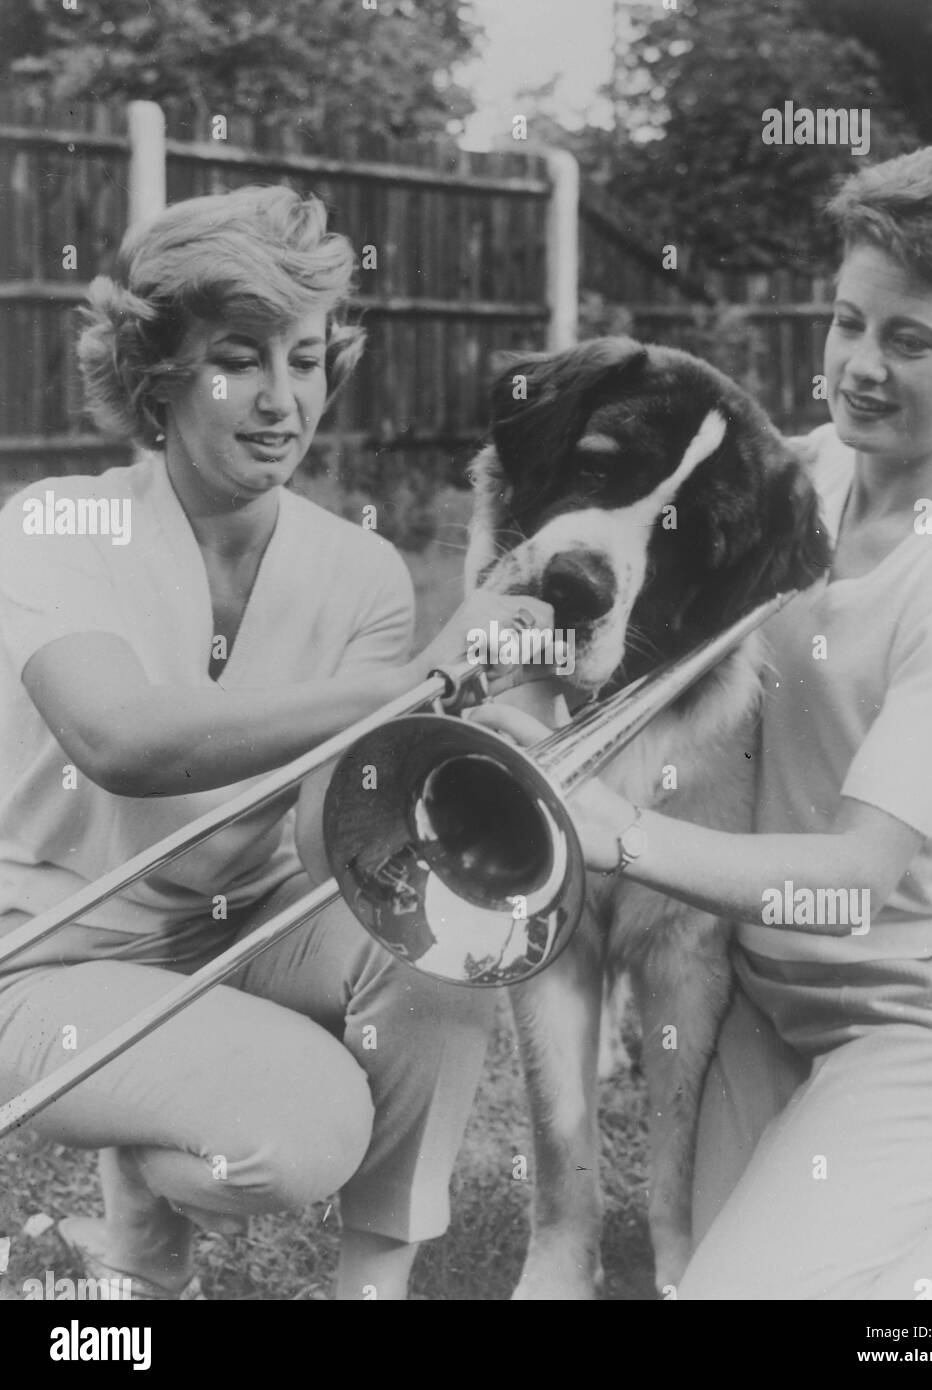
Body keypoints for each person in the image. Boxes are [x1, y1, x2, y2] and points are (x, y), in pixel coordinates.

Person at [475, 147, 932, 1299]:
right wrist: (514, 639)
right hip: (760, 995)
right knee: (708, 1273)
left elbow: (856, 875)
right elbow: (578, 550)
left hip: (913, 1014)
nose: (860, 368)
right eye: (848, 323)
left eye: (913, 340)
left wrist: (614, 836)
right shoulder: (786, 475)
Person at [0, 185, 551, 1300]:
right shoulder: (58, 519)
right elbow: (122, 741)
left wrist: (460, 722)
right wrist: (414, 681)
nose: (279, 400)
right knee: (296, 1133)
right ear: (156, 375)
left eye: (303, 359)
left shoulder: (358, 573)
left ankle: (371, 1287)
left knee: (449, 931)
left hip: (242, 929)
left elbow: (323, 843)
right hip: (47, 955)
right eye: (237, 359)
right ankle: (131, 1233)